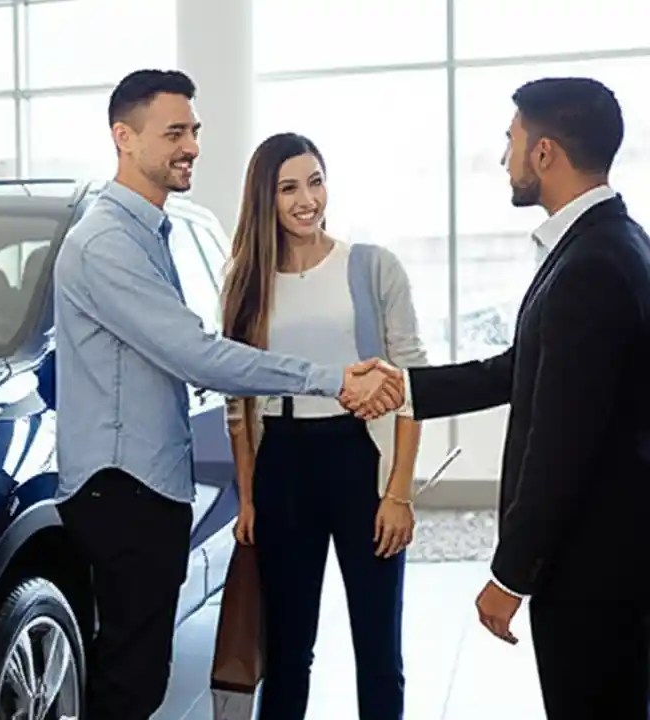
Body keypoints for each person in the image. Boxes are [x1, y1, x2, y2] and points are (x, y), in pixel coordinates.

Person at [51, 69, 404, 720]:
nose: (190, 146)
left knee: (136, 669)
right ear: (123, 138)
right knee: (130, 678)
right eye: (173, 132)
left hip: (148, 484)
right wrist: (330, 378)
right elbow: (195, 354)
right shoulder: (108, 243)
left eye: (194, 130)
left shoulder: (144, 234)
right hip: (124, 488)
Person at [386, 77, 650, 717]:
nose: (505, 157)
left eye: (511, 142)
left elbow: (559, 446)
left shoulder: (590, 265)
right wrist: (405, 388)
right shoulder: (612, 242)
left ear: (544, 153)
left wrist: (510, 575)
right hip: (611, 560)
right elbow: (521, 369)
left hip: (595, 569)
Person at [221, 133, 428, 720]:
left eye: (315, 181)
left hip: (358, 456)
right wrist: (247, 496)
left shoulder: (371, 266)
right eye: (289, 188)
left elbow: (413, 388)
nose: (306, 199)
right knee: (287, 652)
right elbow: (240, 405)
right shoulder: (244, 280)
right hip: (282, 462)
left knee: (378, 648)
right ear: (266, 198)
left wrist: (399, 494)